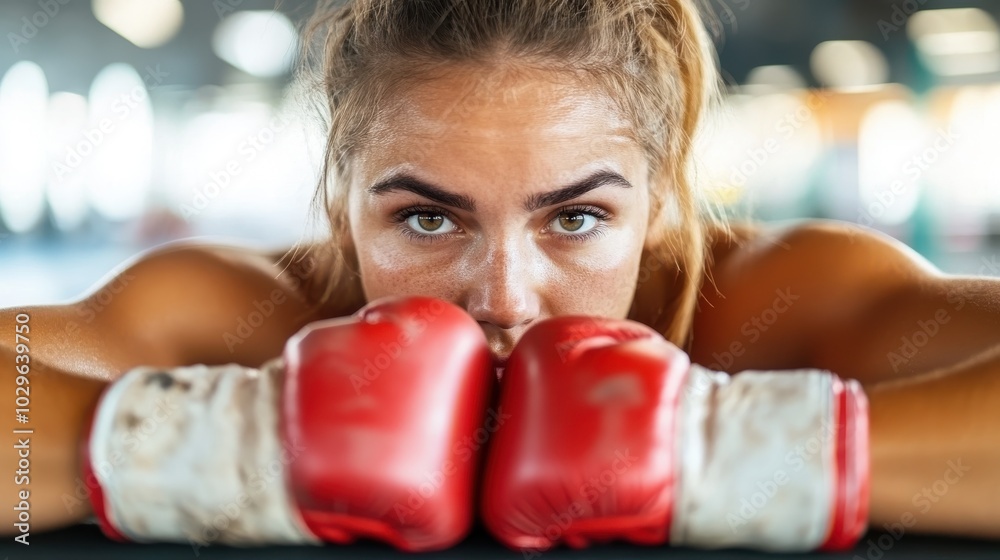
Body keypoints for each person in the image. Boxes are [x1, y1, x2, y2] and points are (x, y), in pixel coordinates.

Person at [3, 0, 1000, 545]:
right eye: (426, 217)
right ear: (340, 200)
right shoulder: (245, 310)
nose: (504, 296)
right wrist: (207, 439)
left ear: (659, 201)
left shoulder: (783, 302)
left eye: (575, 217)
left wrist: (723, 444)